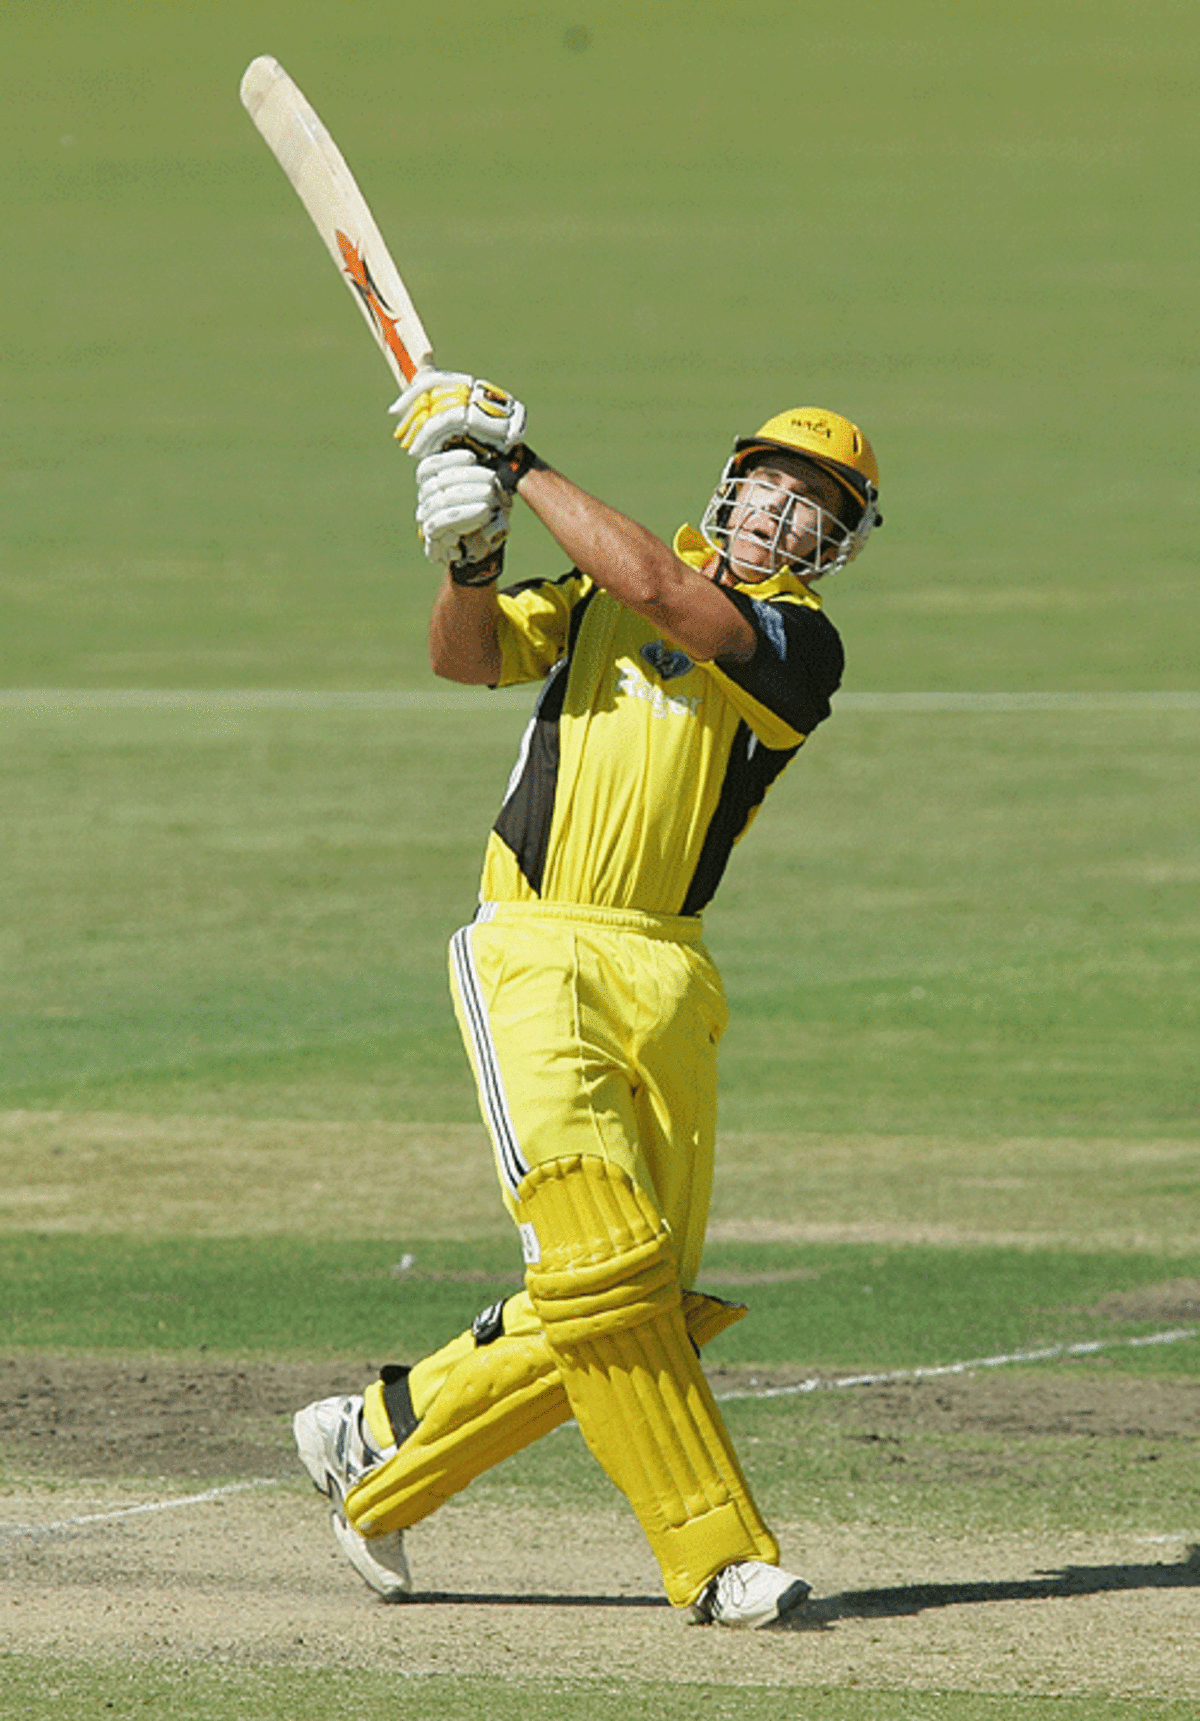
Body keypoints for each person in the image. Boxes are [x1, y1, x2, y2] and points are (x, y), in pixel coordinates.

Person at [293, 376, 882, 1628]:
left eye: (816, 507)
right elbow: (464, 660)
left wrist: (521, 462)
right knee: (602, 1263)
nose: (786, 516)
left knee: (637, 1290)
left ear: (837, 543)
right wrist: (469, 559)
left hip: (668, 970)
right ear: (732, 486)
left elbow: (677, 604)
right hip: (534, 948)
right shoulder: (585, 593)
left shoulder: (799, 644)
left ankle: (383, 1440)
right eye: (774, 487)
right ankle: (717, 1557)